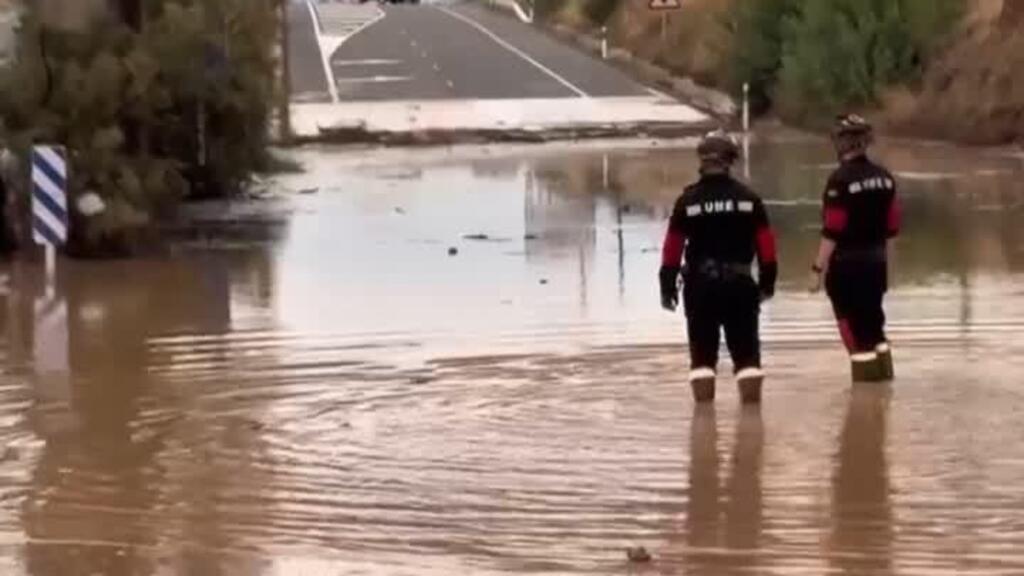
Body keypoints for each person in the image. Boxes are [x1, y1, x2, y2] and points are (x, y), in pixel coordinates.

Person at [660, 130, 778, 404]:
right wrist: (767, 283)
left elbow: (672, 251)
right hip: (740, 286)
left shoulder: (687, 202)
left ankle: (703, 425)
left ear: (702, 159)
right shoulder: (749, 199)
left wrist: (667, 288)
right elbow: (767, 248)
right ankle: (752, 423)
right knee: (747, 359)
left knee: (702, 361)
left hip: (700, 289)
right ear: (731, 160)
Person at [810, 114, 901, 382]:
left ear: (842, 143)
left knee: (854, 334)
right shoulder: (885, 178)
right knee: (875, 329)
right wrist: (889, 268)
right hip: (876, 264)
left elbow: (833, 229)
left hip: (847, 267)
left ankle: (865, 405)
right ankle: (885, 395)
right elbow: (892, 228)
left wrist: (817, 268)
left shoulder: (840, 180)